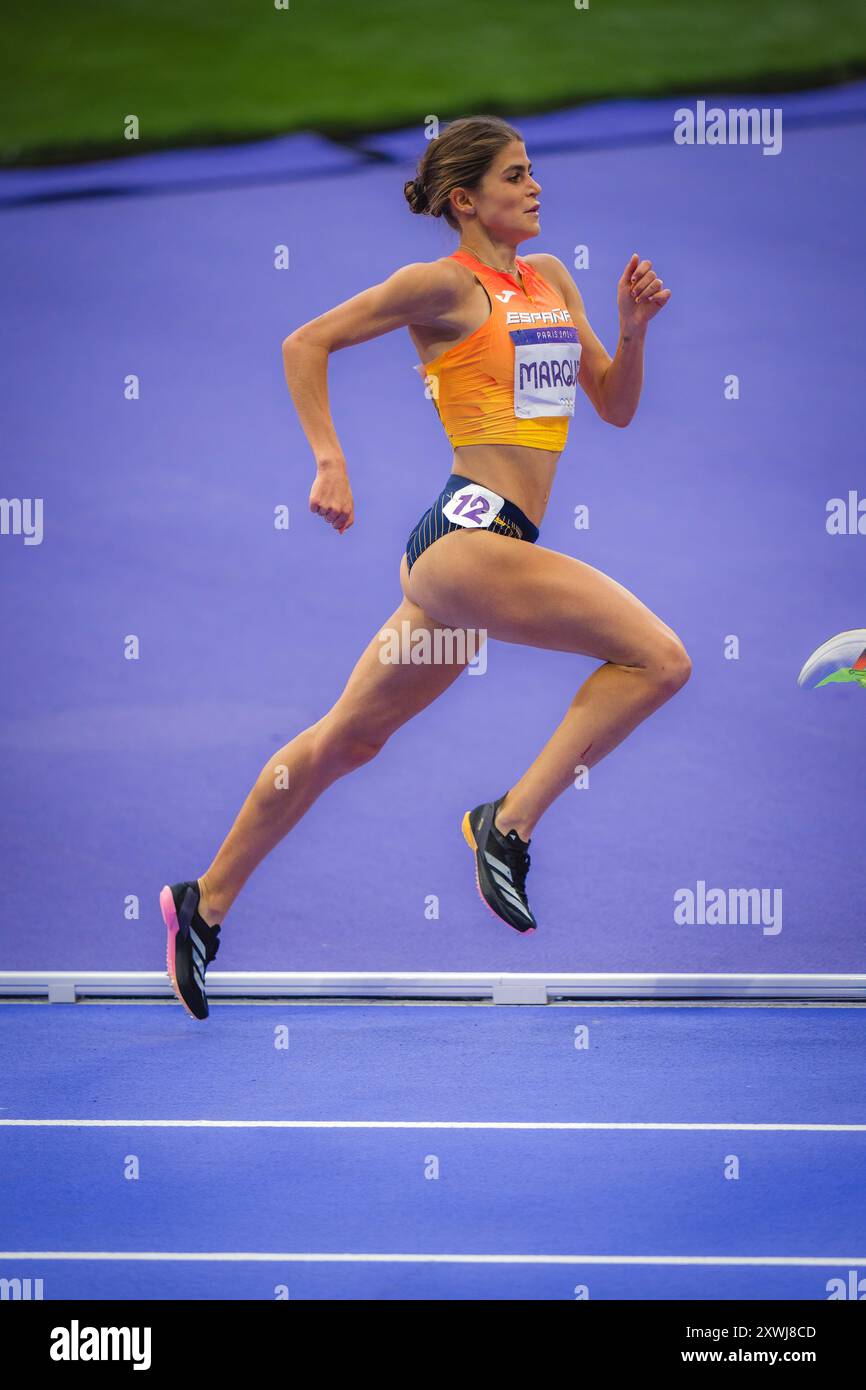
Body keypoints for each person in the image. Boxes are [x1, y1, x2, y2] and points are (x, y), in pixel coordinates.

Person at [161, 114, 689, 1020]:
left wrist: (634, 327)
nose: (534, 186)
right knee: (660, 659)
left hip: (488, 558)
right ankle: (507, 826)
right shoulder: (440, 286)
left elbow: (616, 407)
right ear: (465, 199)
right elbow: (305, 343)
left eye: (532, 172)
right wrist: (329, 458)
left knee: (348, 741)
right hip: (462, 540)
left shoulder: (553, 280)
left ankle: (200, 903)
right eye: (515, 175)